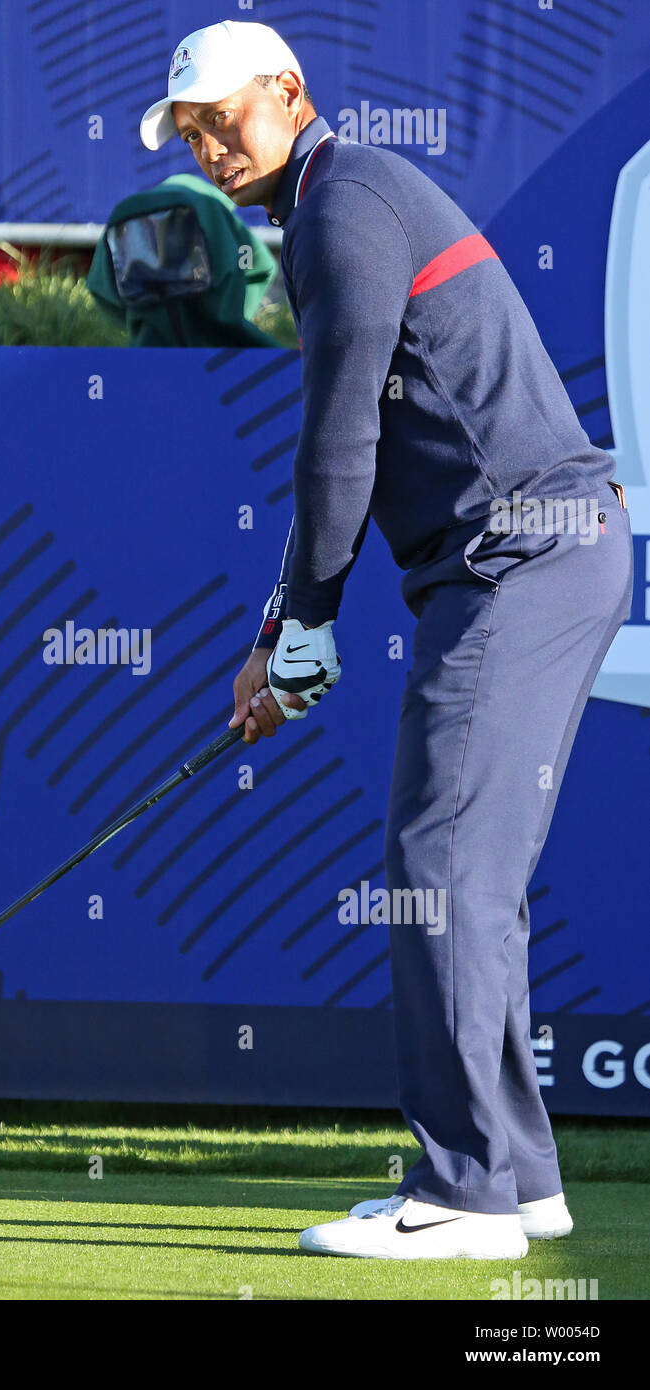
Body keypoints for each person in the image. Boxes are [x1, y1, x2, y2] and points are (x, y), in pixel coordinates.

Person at [140, 20, 633, 1259]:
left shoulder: (338, 202)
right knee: (466, 866)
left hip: (520, 560)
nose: (207, 148)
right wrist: (282, 628)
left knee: (441, 858)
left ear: (289, 93)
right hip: (524, 560)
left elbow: (338, 437)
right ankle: (514, 1177)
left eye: (221, 120)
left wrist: (303, 624)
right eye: (188, 133)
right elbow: (345, 449)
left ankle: (462, 1194)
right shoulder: (331, 200)